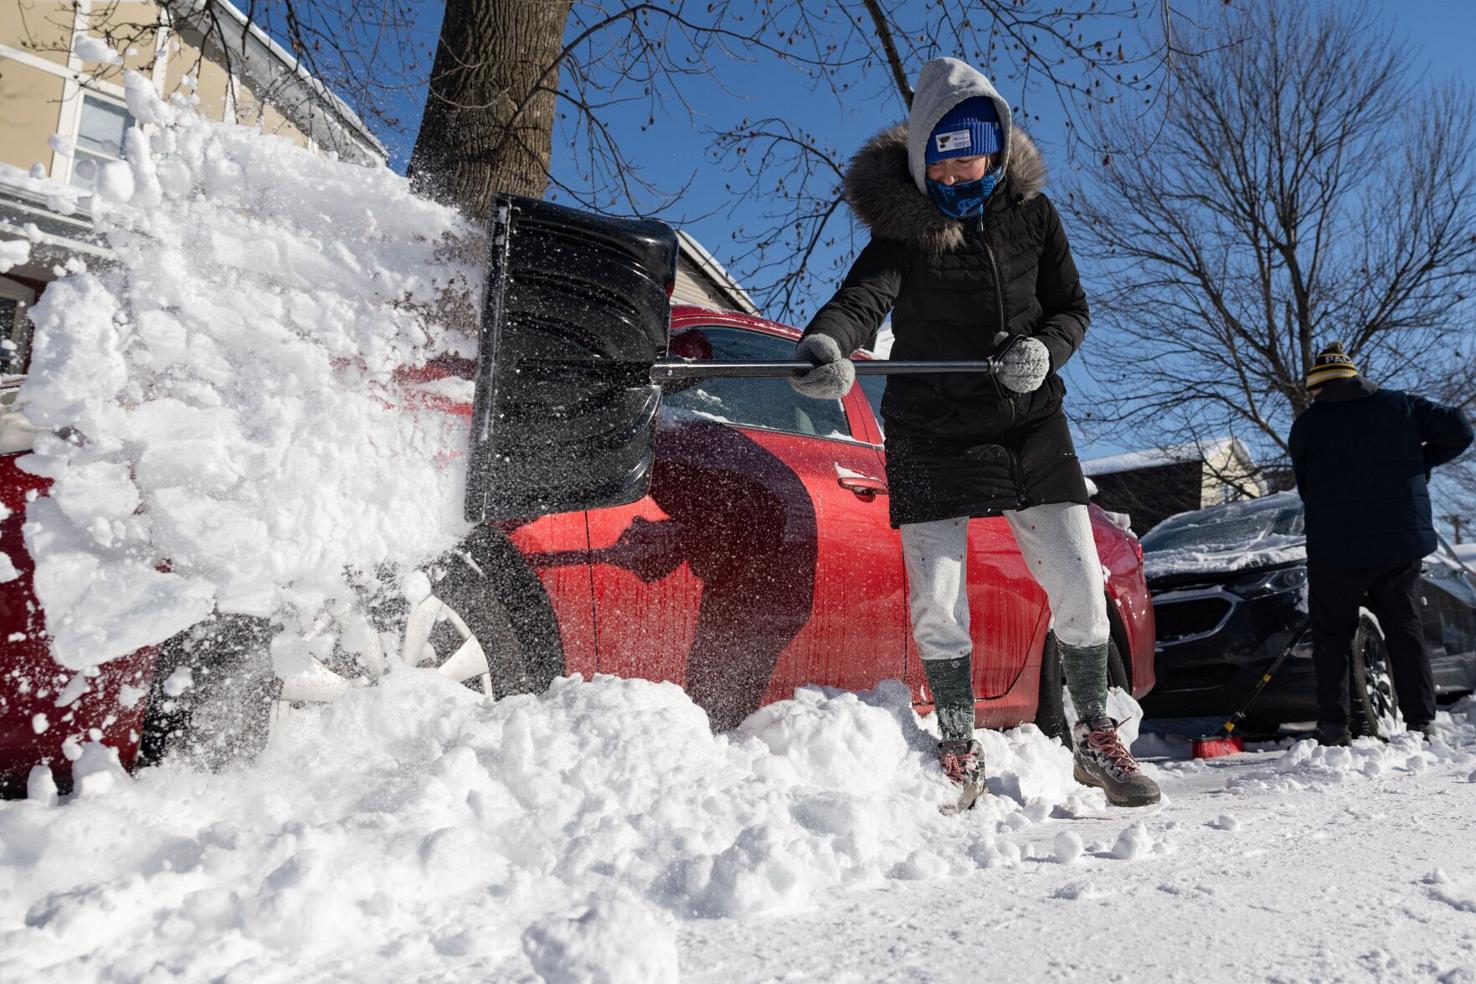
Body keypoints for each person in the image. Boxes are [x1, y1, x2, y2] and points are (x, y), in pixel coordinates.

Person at [789, 57, 1159, 808]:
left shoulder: (1036, 217)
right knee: (939, 598)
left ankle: (1093, 735)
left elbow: (1072, 310)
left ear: (997, 146)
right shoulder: (906, 232)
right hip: (931, 424)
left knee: (1081, 583)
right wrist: (828, 347)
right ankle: (958, 741)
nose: (964, 170)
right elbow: (860, 300)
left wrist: (1042, 351)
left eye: (975, 153)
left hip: (1029, 422)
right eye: (947, 157)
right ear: (923, 157)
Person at [1289, 342, 1473, 746]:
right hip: (1398, 542)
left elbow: (1306, 486)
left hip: (1335, 548)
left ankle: (1335, 727)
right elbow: (1460, 430)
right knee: (1404, 629)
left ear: (1317, 387)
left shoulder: (1308, 424)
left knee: (1332, 636)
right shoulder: (1401, 407)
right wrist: (1419, 463)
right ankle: (1421, 721)